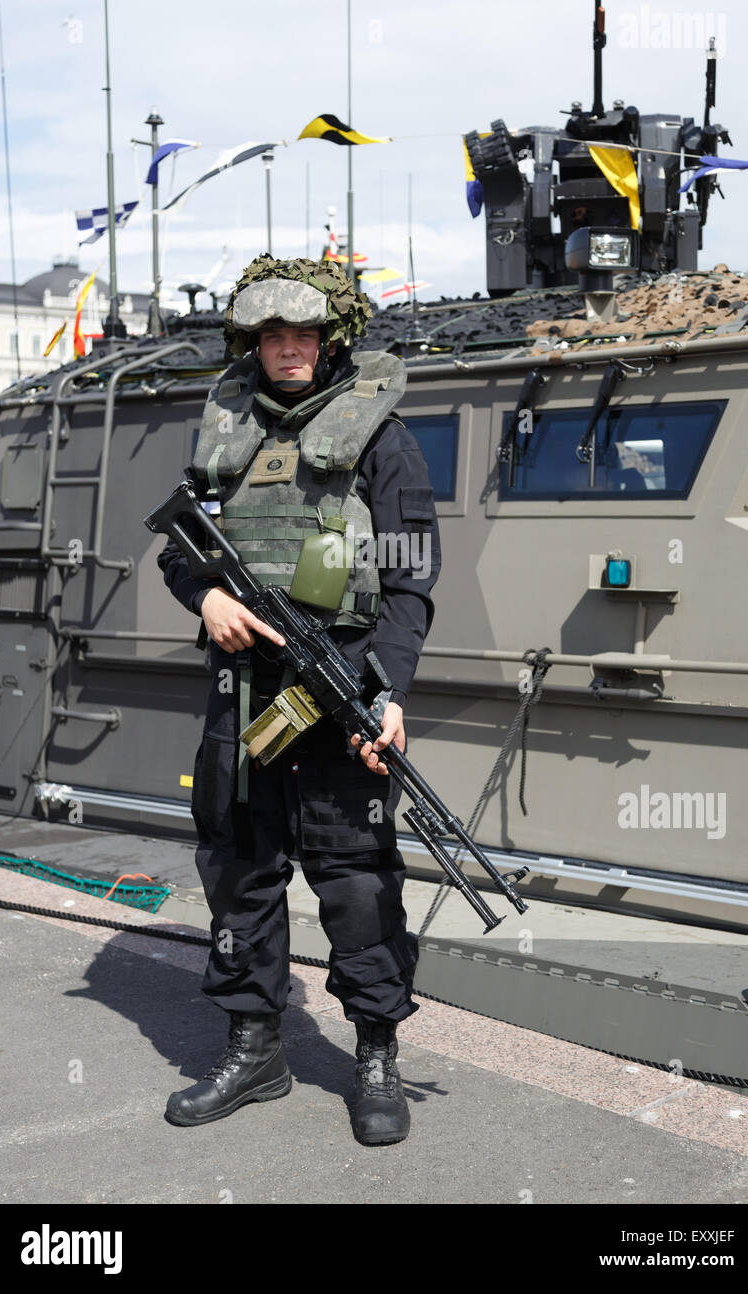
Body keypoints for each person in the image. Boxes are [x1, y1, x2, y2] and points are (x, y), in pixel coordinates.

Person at [156, 254, 441, 1144]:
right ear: (253, 343)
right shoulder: (223, 436)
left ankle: (375, 1054)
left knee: (354, 879)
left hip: (340, 686)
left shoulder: (382, 439)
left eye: (303, 335)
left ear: (330, 340)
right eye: (271, 336)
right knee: (238, 866)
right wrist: (206, 598)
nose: (288, 350)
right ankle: (255, 1046)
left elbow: (410, 583)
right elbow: (179, 550)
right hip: (241, 694)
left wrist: (386, 691)